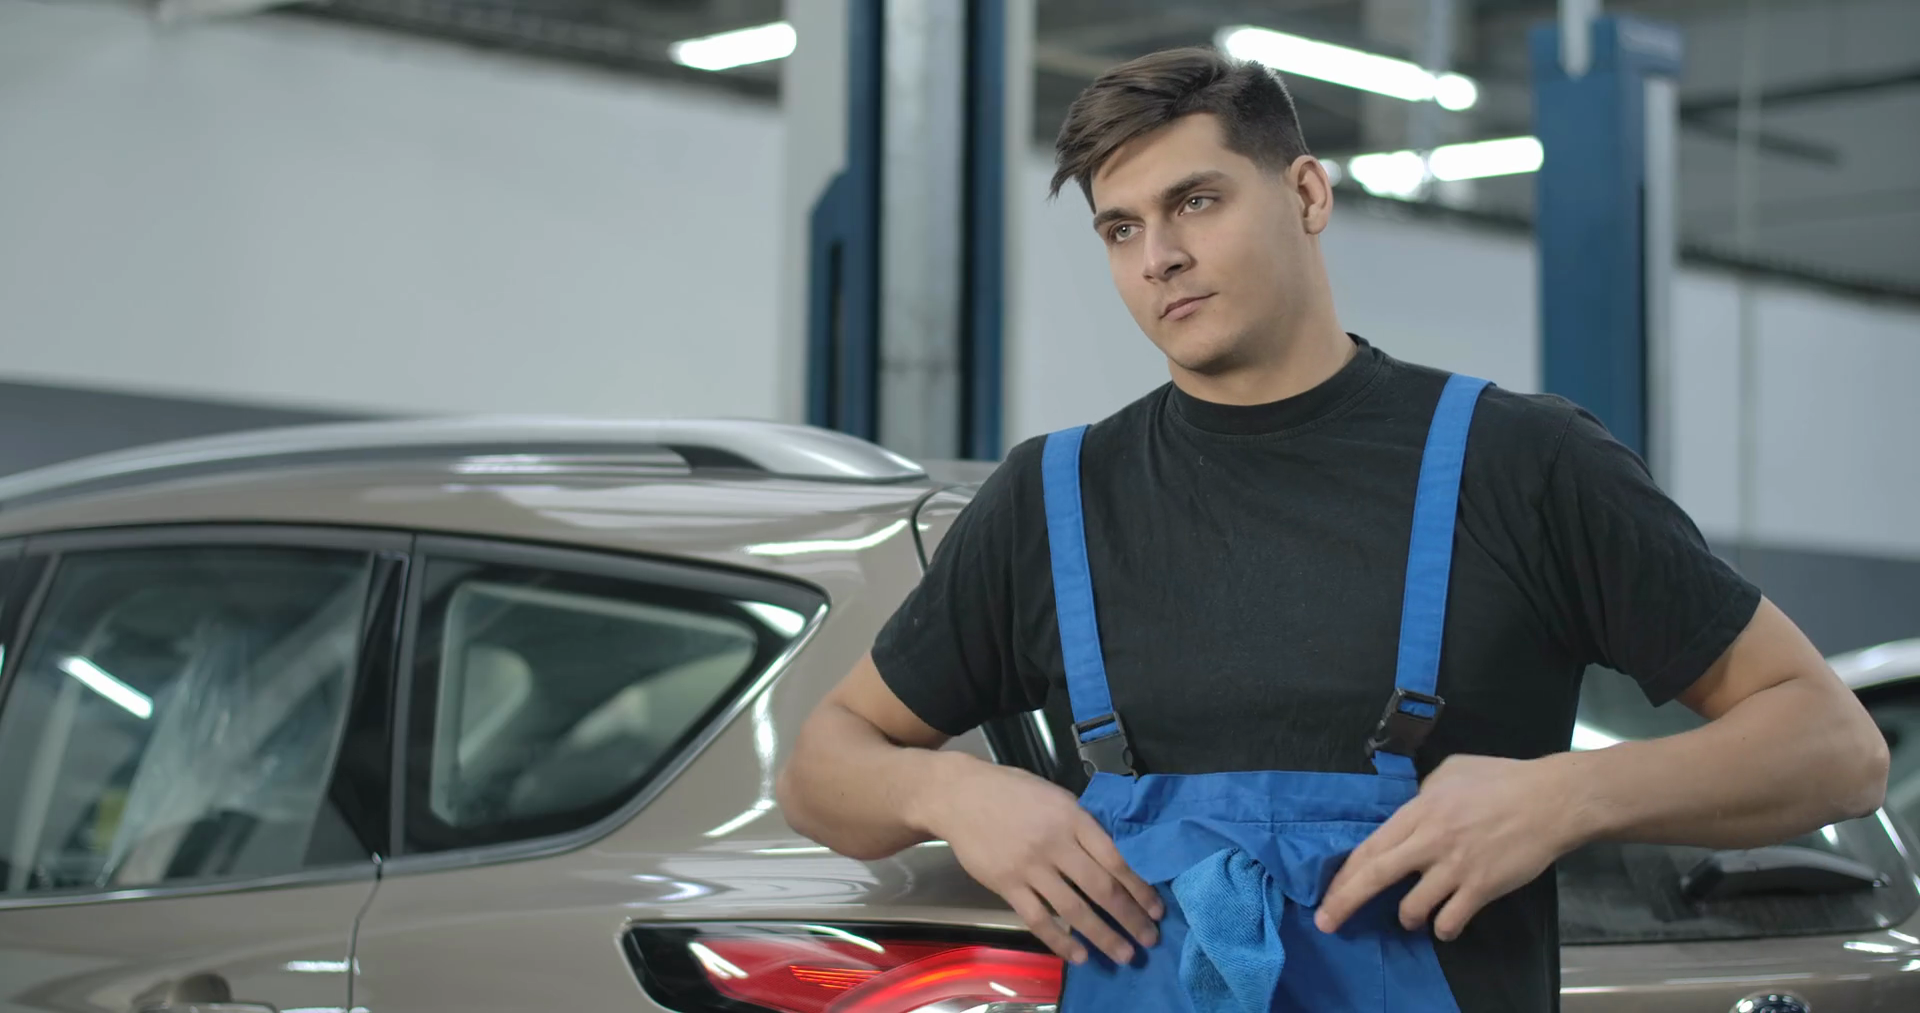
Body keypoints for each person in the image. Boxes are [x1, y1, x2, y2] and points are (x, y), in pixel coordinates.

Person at [775, 46, 1888, 1013]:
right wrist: (953, 792)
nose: (1158, 256)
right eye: (1121, 227)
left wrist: (1566, 795)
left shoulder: (1522, 463)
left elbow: (1835, 748)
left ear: (1306, 193)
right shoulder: (1053, 496)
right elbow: (823, 766)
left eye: (1196, 201)